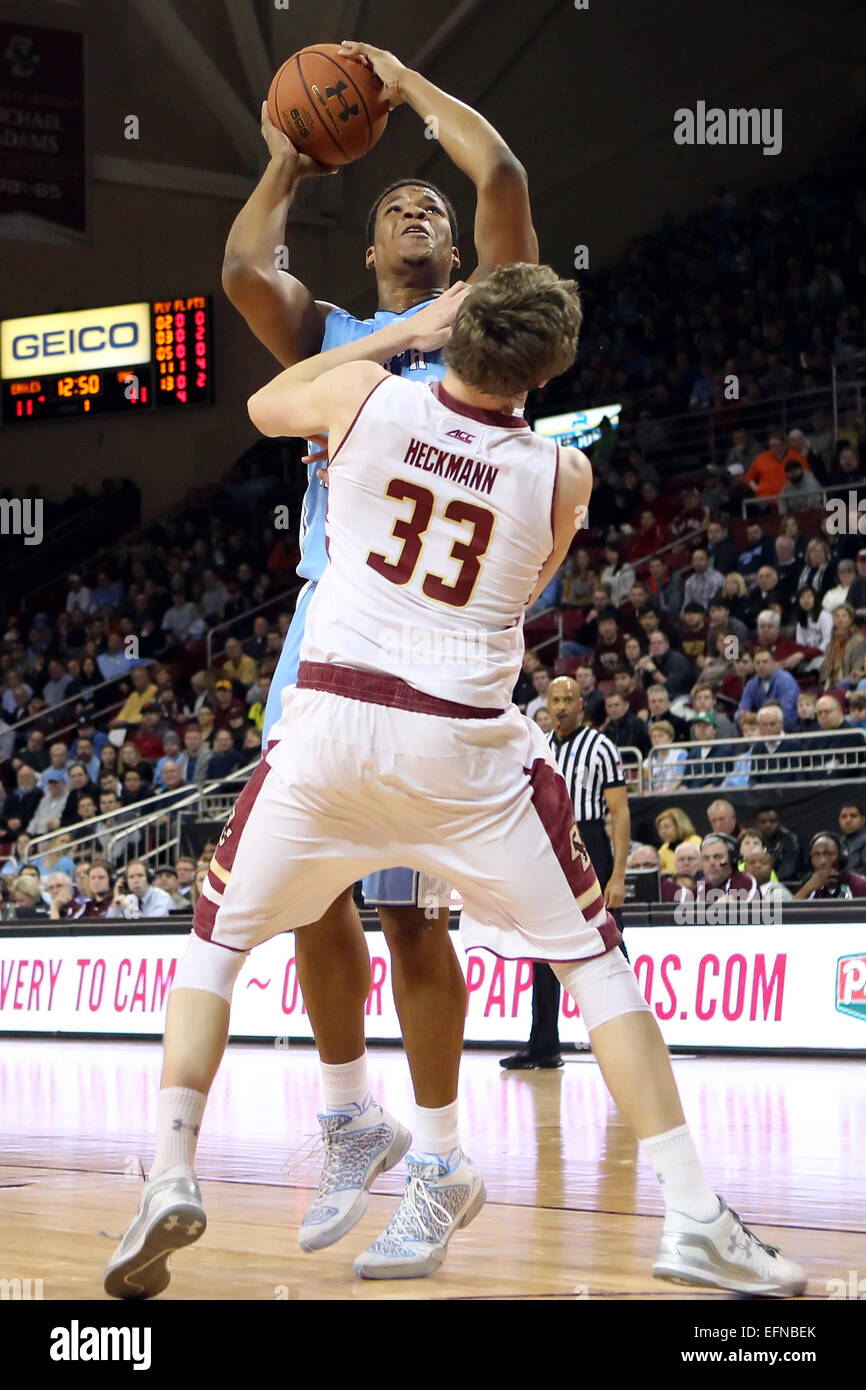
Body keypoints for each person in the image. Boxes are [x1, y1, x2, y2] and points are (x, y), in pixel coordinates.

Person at [105, 261, 804, 1300]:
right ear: (548, 370)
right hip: (463, 751)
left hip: (331, 726)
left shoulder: (360, 396)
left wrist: (399, 335)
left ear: (453, 331)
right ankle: (694, 1216)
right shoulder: (562, 476)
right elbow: (524, 584)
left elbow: (261, 403)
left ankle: (167, 1165)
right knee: (594, 968)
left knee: (212, 950)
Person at [500, 676, 630, 1071]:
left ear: (580, 704)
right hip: (548, 845)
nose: (559, 707)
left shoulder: (601, 747)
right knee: (544, 947)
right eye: (554, 699)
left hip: (588, 839)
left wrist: (619, 874)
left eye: (567, 700)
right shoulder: (543, 746)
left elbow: (620, 812)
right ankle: (543, 1043)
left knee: (609, 940)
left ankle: (629, 1035)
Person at [735, 649, 800, 730]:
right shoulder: (751, 684)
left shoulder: (786, 681)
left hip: (788, 730)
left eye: (765, 662)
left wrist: (753, 717)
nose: (761, 666)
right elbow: (740, 713)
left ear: (773, 663)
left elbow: (785, 714)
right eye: (757, 663)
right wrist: (742, 715)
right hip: (760, 730)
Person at [794, 833, 866, 900]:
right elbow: (790, 911)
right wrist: (806, 890)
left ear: (841, 857)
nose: (823, 861)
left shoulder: (858, 885)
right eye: (816, 855)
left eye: (829, 854)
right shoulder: (808, 884)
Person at [819, 604, 866, 690]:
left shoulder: (859, 641)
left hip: (849, 682)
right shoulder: (830, 644)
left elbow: (857, 667)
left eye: (844, 616)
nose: (840, 619)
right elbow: (825, 668)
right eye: (837, 616)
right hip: (831, 682)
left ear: (851, 619)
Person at [655, 808, 701, 873]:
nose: (663, 832)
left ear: (679, 825)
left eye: (667, 827)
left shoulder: (696, 842)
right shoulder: (663, 850)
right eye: (660, 828)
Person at [838, 803, 866, 874]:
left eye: (853, 816)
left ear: (863, 820)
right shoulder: (837, 843)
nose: (848, 820)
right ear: (839, 820)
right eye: (844, 816)